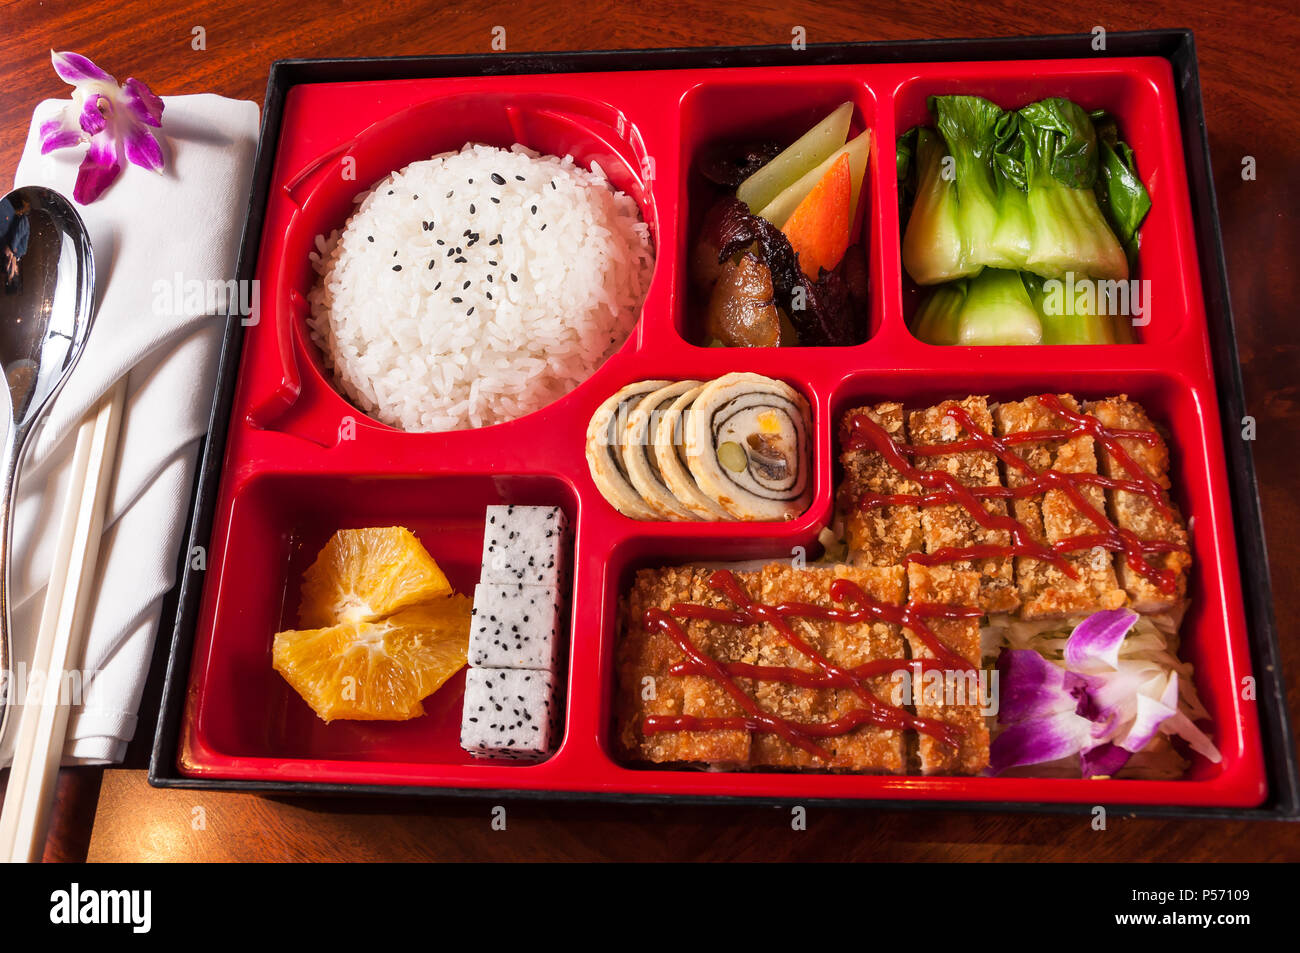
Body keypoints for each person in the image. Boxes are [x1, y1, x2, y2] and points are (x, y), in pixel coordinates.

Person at [1, 195, 31, 294]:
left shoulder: (1, 260)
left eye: (7, 274)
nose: (7, 268)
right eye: (11, 272)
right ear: (17, 270)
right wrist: (12, 247)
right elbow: (24, 221)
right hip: (4, 208)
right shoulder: (22, 249)